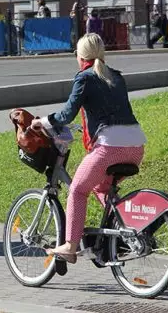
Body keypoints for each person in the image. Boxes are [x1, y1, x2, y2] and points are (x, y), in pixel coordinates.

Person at [31, 33, 146, 263]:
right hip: (136, 146)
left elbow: (66, 114)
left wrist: (41, 121)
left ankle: (70, 246)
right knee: (101, 189)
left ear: (80, 56)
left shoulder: (84, 77)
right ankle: (126, 233)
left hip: (109, 148)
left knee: (77, 190)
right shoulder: (116, 76)